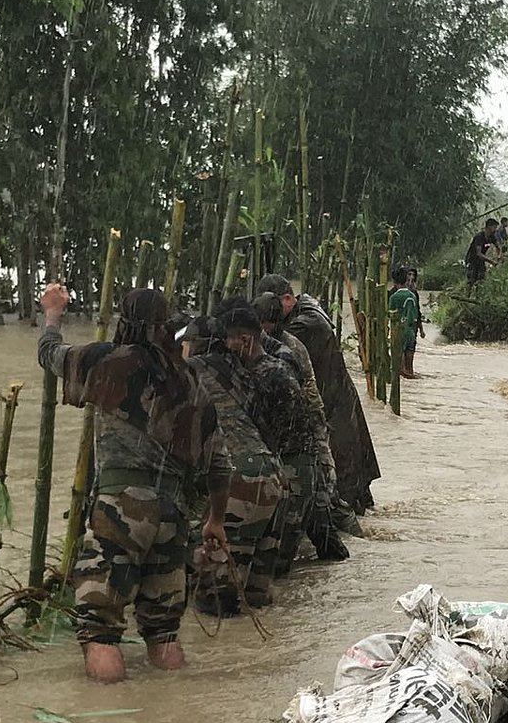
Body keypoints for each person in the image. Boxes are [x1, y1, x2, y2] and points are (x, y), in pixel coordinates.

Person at [37, 283, 230, 684]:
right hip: (171, 517)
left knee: (98, 627)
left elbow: (49, 355)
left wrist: (53, 315)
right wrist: (215, 520)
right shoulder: (188, 380)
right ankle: (169, 709)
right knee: (163, 630)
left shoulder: (107, 361)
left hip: (120, 508)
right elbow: (219, 464)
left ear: (125, 321)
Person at [180, 311, 287, 616]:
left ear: (195, 344)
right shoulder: (241, 371)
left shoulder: (190, 372)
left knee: (215, 599)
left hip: (238, 478)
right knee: (257, 595)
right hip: (273, 476)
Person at [256, 274, 381, 516]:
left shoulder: (305, 324)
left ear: (288, 298)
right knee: (348, 493)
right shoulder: (308, 311)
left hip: (333, 412)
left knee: (341, 497)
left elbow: (270, 347)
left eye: (273, 306)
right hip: (337, 406)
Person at [252, 291, 351, 560]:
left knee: (320, 496)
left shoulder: (285, 351)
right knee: (313, 498)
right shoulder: (271, 347)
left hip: (302, 430)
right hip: (293, 435)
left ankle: (339, 541)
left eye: (264, 325)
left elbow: (298, 401)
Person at [388, 267, 420, 378]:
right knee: (409, 367)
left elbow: (391, 315)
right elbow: (415, 316)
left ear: (394, 282)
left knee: (399, 369)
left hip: (398, 333)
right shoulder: (413, 295)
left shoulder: (393, 297)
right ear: (406, 281)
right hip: (411, 332)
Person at [465, 219, 499, 285]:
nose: (495, 229)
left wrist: (499, 255)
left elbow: (498, 246)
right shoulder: (479, 237)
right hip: (472, 260)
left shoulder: (491, 237)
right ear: (489, 227)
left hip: (481, 260)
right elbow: (479, 254)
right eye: (494, 227)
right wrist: (491, 261)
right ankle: (468, 294)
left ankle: (477, 294)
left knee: (481, 279)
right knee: (471, 280)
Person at [407, 267, 427, 340]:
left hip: (412, 325)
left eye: (413, 275)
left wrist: (421, 330)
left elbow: (417, 311)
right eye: (409, 274)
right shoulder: (397, 291)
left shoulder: (414, 293)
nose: (411, 277)